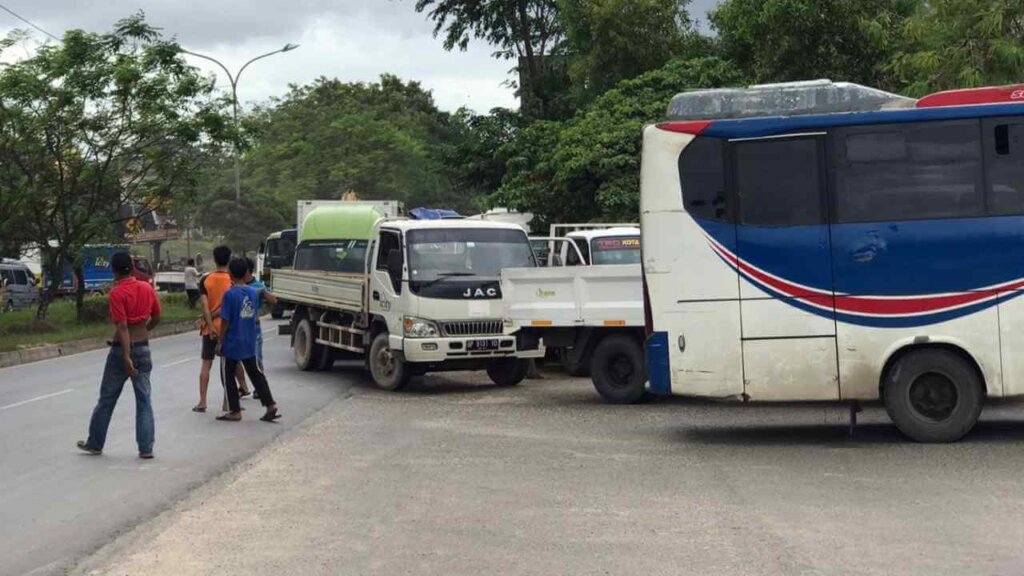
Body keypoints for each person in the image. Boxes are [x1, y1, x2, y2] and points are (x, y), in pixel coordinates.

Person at [77, 252, 162, 459]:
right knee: (144, 400)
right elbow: (157, 316)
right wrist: (145, 330)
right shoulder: (146, 288)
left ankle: (95, 443)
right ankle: (146, 448)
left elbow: (122, 327)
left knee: (107, 398)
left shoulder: (117, 293)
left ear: (113, 270)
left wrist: (126, 355)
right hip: (143, 348)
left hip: (121, 351)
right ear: (132, 268)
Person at [216, 258, 281, 423]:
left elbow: (225, 321)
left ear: (230, 274)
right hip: (249, 339)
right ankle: (270, 404)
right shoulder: (252, 292)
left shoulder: (229, 295)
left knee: (228, 375)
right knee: (256, 374)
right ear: (246, 272)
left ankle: (234, 410)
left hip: (232, 342)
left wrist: (220, 341)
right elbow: (269, 300)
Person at [194, 246, 249, 413]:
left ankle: (202, 402)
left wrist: (209, 324)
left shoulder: (206, 279)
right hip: (228, 328)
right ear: (229, 258)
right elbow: (229, 305)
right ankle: (227, 402)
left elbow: (204, 305)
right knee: (228, 366)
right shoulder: (232, 280)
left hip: (209, 330)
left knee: (206, 364)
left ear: (214, 258)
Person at [244, 257, 277, 400]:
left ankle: (260, 388)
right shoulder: (234, 285)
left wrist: (263, 292)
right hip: (239, 326)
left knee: (257, 359)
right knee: (235, 361)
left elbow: (273, 300)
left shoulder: (257, 285)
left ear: (246, 270)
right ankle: (242, 386)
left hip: (253, 326)